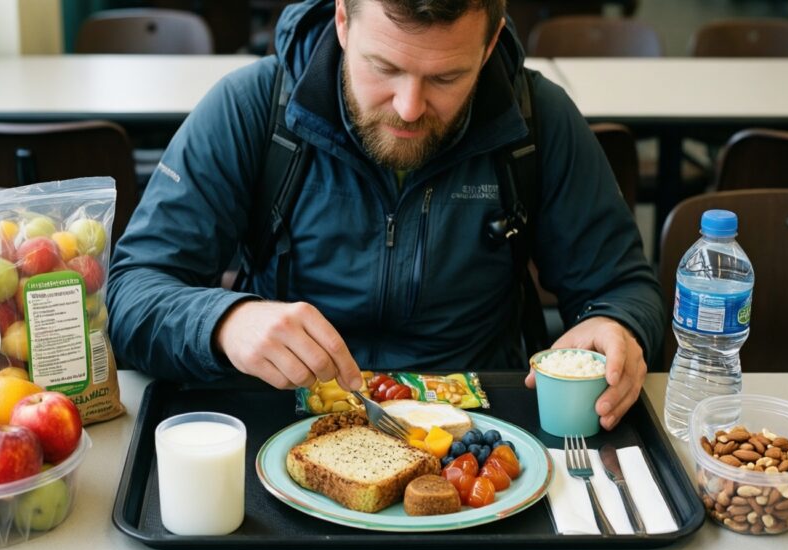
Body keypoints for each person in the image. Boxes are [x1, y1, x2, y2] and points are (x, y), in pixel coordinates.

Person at [106, 0, 663, 430]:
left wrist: (615, 325)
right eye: (383, 67)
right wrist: (224, 321)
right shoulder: (253, 107)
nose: (409, 107)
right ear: (343, 20)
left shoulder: (538, 119)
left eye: (446, 78)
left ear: (491, 41)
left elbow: (623, 289)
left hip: (482, 433)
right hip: (284, 423)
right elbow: (131, 295)